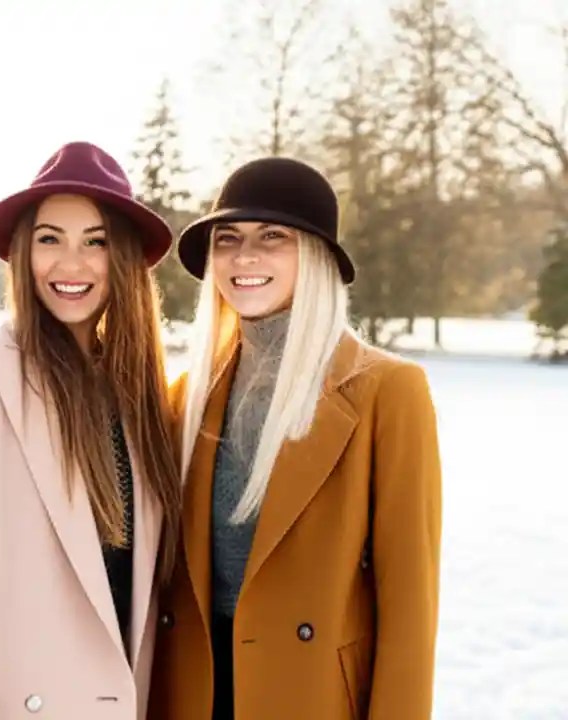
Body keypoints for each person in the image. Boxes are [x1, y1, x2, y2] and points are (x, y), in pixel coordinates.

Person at [147, 157, 443, 719]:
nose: (244, 256)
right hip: (195, 693)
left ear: (316, 256)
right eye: (228, 238)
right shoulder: (188, 396)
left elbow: (410, 603)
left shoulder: (387, 392)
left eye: (272, 237)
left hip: (309, 697)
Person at [0, 141, 184, 718]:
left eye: (95, 242)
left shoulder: (140, 392)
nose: (70, 264)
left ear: (123, 257)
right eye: (50, 239)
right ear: (23, 252)